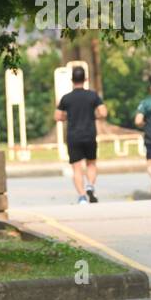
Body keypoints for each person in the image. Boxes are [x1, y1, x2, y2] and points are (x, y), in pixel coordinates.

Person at [54, 66, 107, 204]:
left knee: (77, 168)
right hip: (89, 135)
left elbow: (58, 116)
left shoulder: (66, 98)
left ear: (72, 80)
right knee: (91, 164)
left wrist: (68, 117)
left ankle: (82, 196)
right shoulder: (93, 95)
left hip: (73, 136)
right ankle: (90, 185)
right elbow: (103, 113)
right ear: (85, 79)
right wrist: (93, 115)